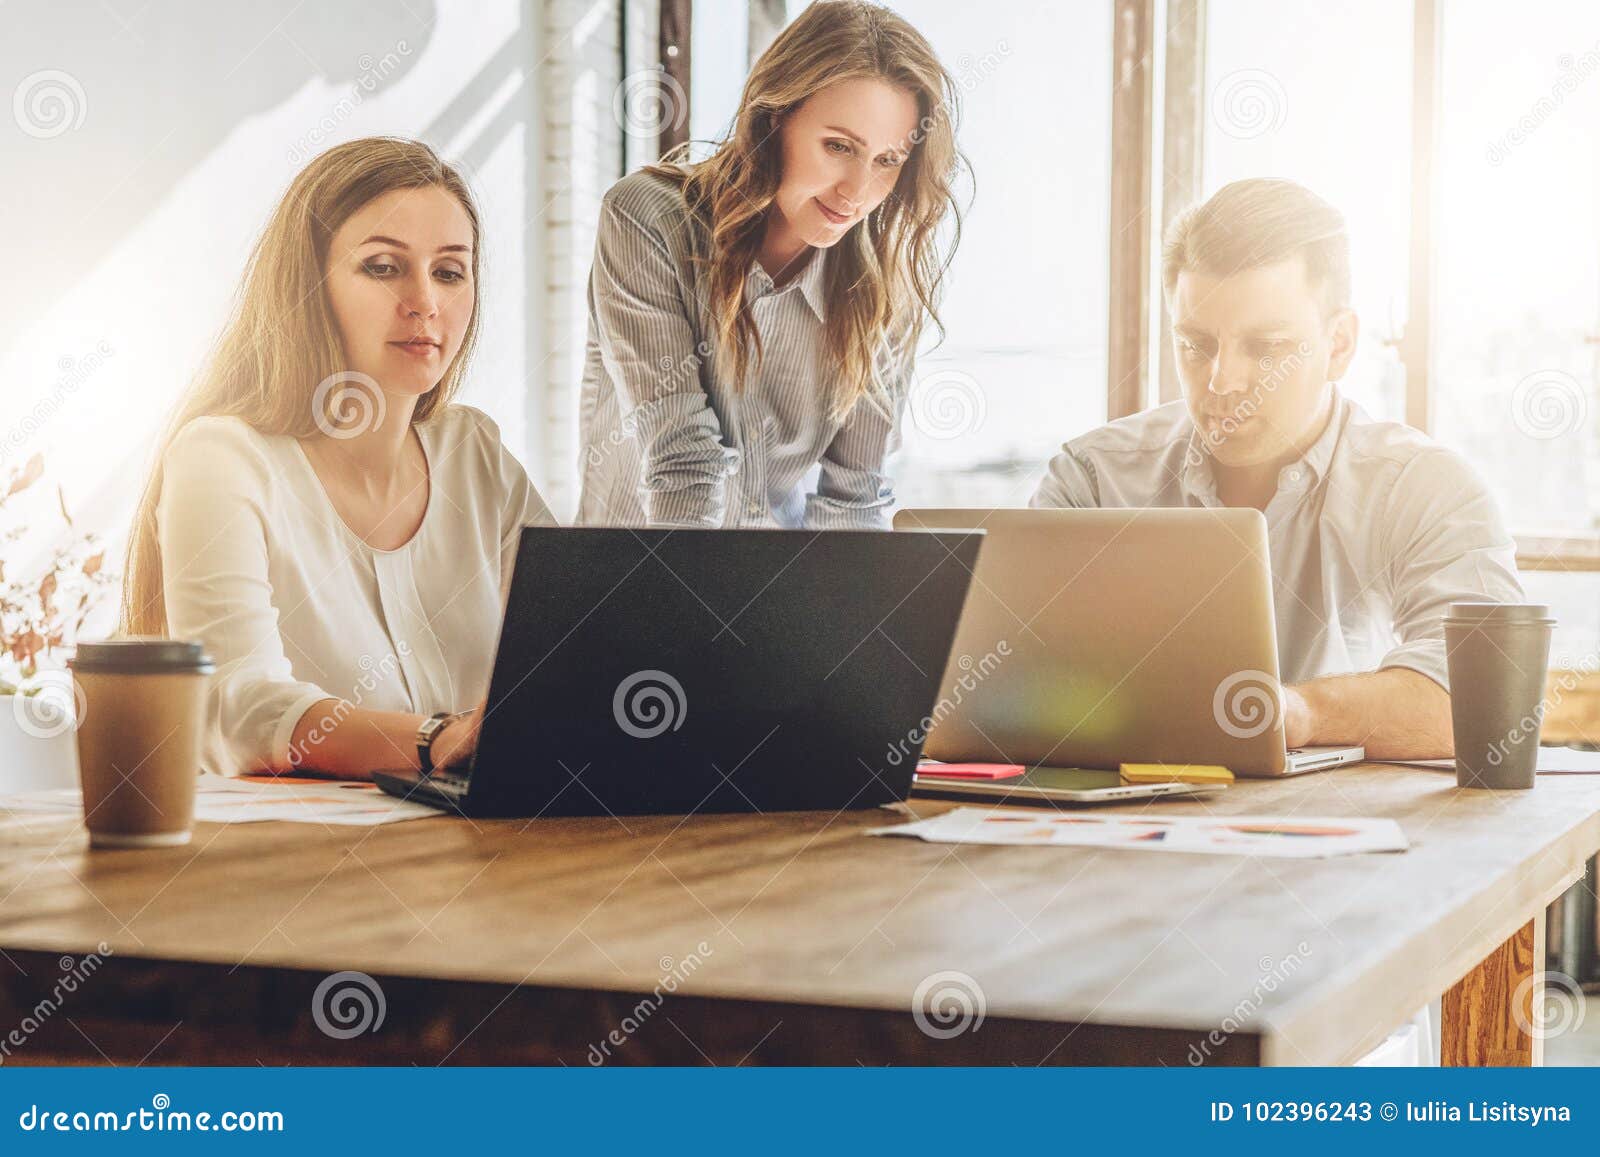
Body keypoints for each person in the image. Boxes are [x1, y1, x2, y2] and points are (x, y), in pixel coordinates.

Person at [1031, 178, 1524, 760]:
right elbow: (1009, 679)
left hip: (1342, 837)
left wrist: (1296, 714)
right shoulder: (1093, 478)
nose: (1221, 382)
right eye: (1196, 345)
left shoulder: (1424, 486)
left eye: (1265, 348)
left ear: (1338, 345)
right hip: (1118, 824)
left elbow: (1489, 699)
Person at [119, 137, 552, 778]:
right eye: (382, 267)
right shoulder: (224, 458)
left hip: (489, 852)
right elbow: (239, 707)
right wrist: (441, 740)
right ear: (306, 289)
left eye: (450, 271)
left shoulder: (474, 454)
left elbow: (581, 647)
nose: (425, 301)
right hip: (300, 863)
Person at [577, 0, 964, 529]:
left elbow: (854, 501)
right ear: (776, 115)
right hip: (630, 589)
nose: (857, 192)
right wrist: (684, 612)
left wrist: (852, 612)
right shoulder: (645, 219)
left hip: (775, 600)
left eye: (887, 161)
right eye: (839, 146)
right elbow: (684, 467)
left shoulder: (884, 291)